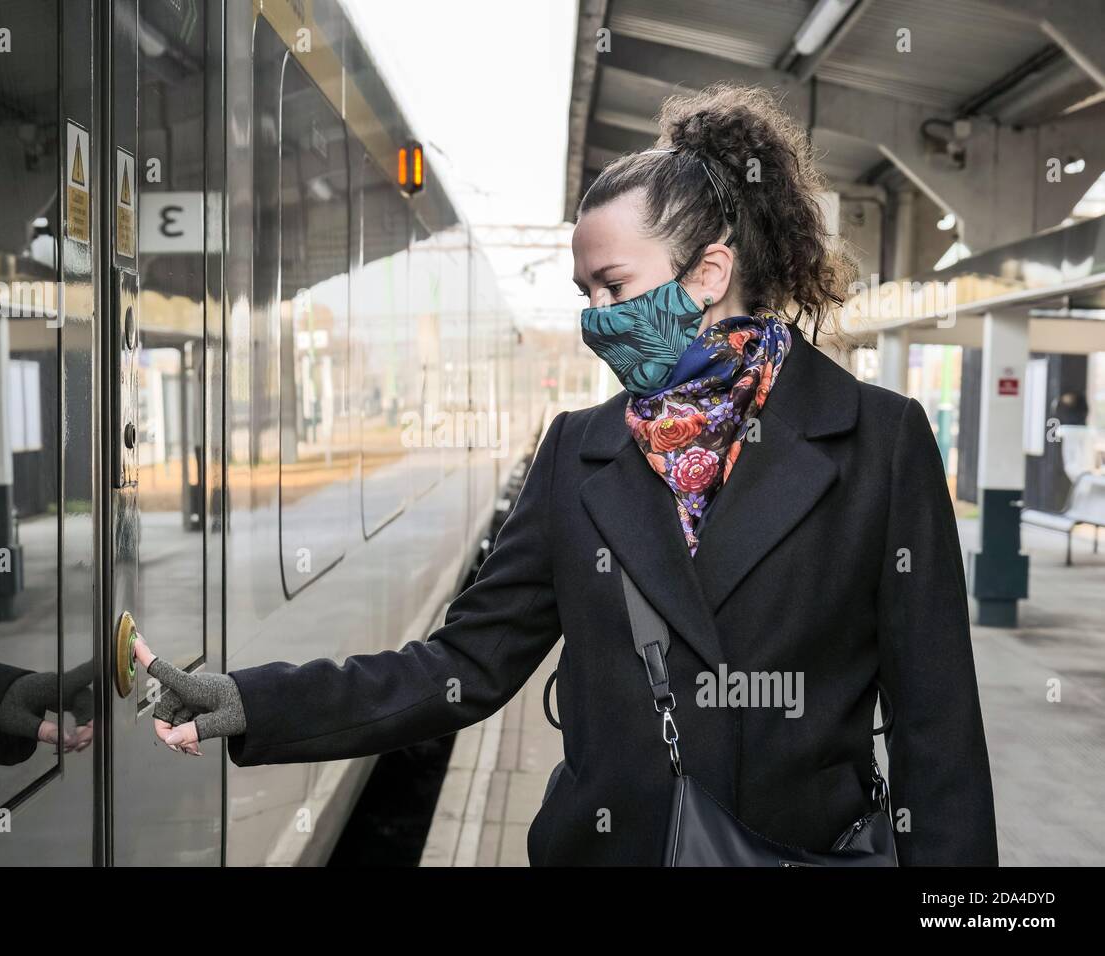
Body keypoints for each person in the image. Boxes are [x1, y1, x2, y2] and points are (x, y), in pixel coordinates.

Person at [133, 82, 999, 866]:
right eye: (586, 294)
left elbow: (938, 729)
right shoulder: (577, 452)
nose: (598, 320)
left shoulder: (877, 442)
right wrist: (252, 700)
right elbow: (463, 665)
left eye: (615, 287)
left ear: (708, 273)